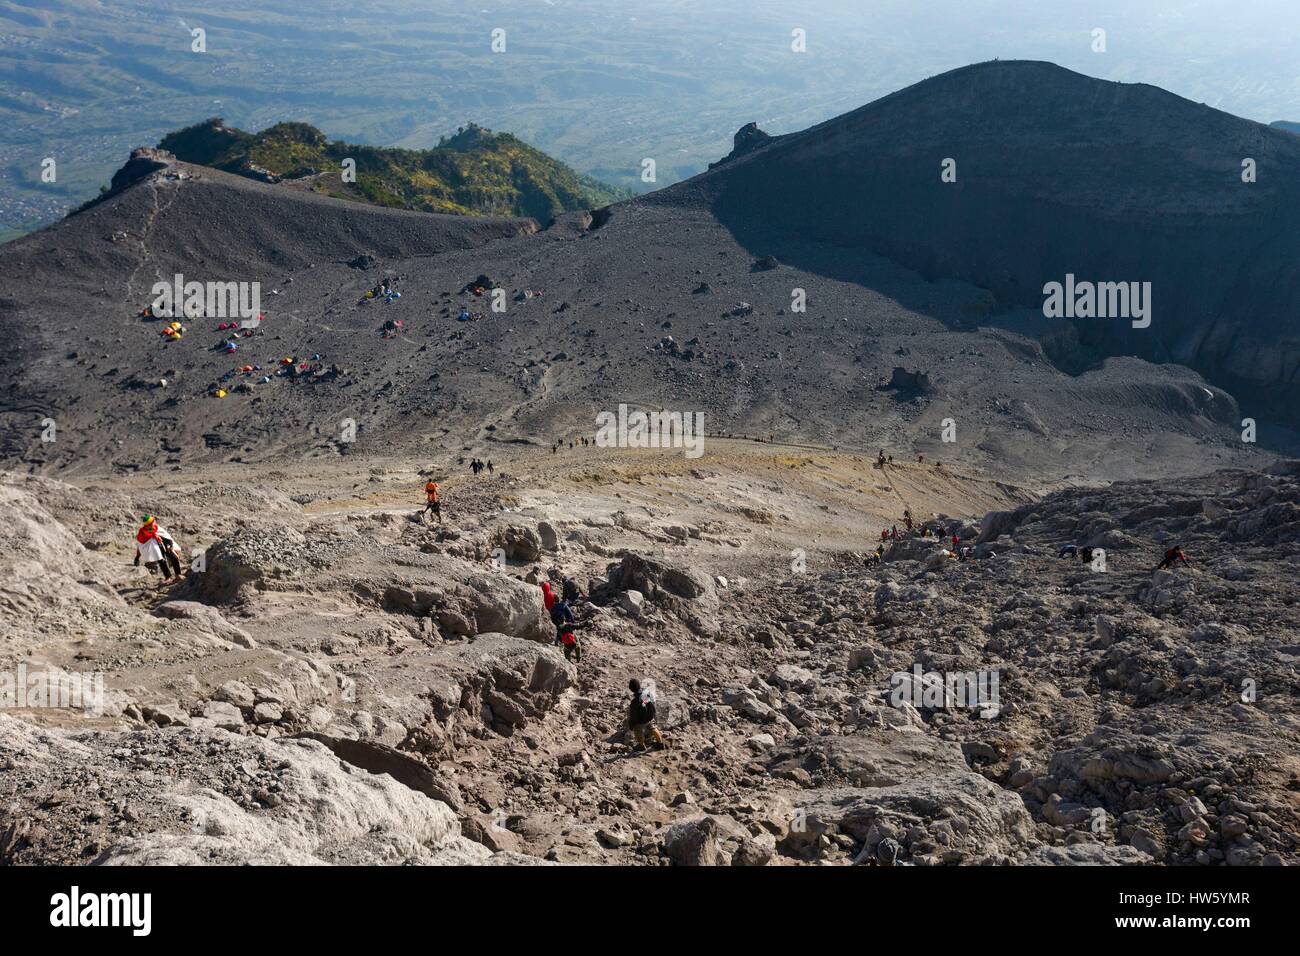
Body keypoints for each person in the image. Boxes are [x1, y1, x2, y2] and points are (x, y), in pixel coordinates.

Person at [133, 516, 179, 582]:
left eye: (153, 522)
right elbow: (141, 545)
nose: (153, 524)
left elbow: (167, 537)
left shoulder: (158, 529)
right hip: (156, 549)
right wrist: (138, 557)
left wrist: (170, 546)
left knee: (174, 557)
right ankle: (168, 577)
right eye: (151, 524)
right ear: (146, 526)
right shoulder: (142, 533)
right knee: (162, 561)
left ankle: (178, 575)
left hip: (165, 546)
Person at [627, 679, 664, 751]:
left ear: (631, 689)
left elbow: (633, 716)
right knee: (653, 728)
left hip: (641, 721)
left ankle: (641, 746)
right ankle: (660, 743)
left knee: (638, 731)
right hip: (650, 717)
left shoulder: (634, 702)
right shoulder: (646, 693)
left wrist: (632, 725)